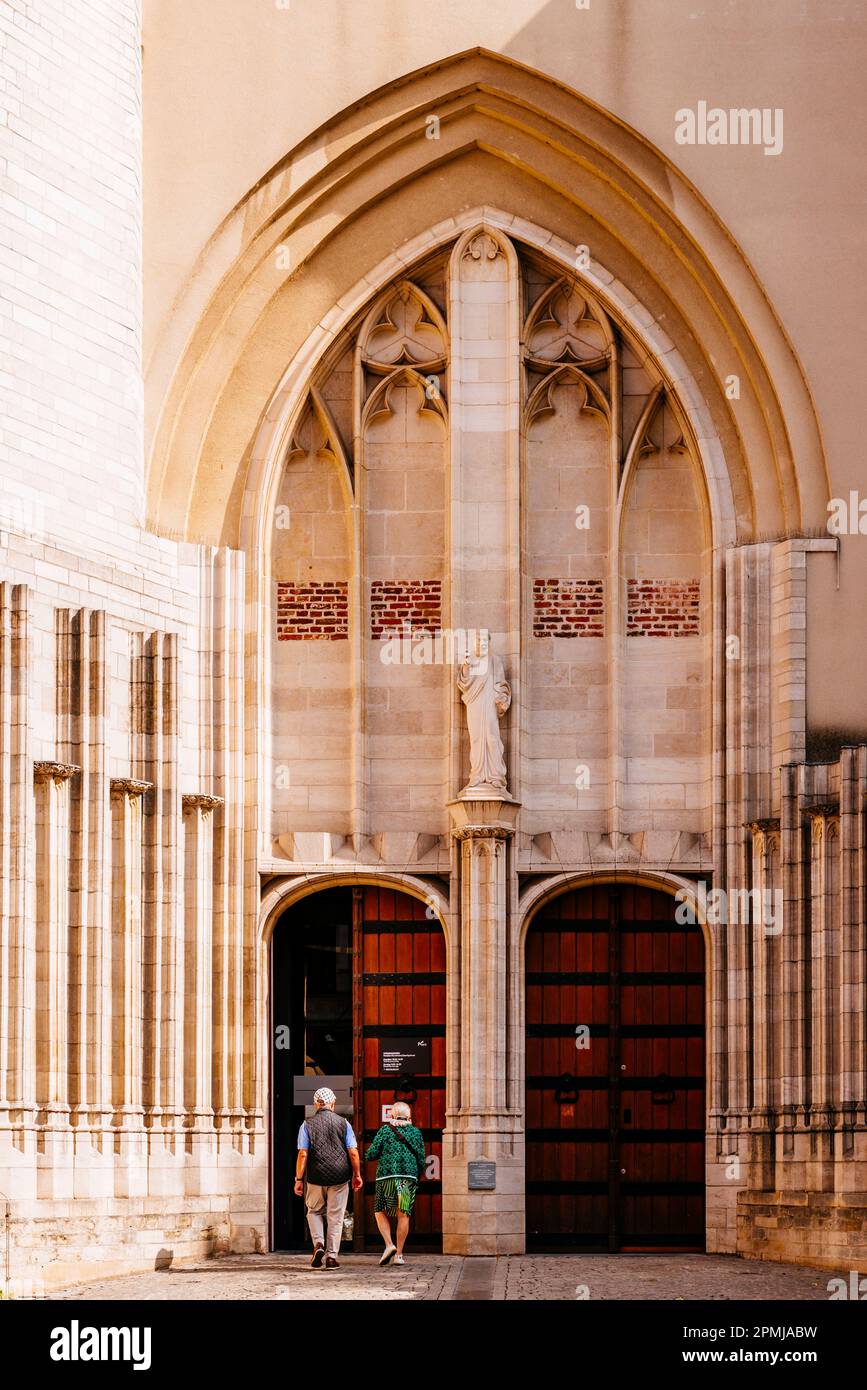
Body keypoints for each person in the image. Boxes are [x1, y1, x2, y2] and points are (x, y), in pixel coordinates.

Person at [295, 1086, 363, 1269]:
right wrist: (357, 1175)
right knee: (336, 1217)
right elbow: (353, 1152)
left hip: (315, 1177)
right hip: (340, 1177)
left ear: (316, 1104)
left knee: (314, 1211)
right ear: (333, 1103)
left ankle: (318, 1243)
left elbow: (303, 1154)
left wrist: (298, 1179)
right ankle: (332, 1257)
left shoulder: (306, 1124)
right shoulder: (344, 1123)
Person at [365, 1101, 427, 1266]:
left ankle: (388, 1244)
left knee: (379, 1210)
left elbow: (371, 1154)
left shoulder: (385, 1130)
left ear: (391, 1116)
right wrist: (418, 1174)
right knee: (403, 1213)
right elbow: (421, 1158)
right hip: (406, 1179)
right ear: (410, 1117)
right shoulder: (415, 1132)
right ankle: (398, 1255)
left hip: (386, 1177)